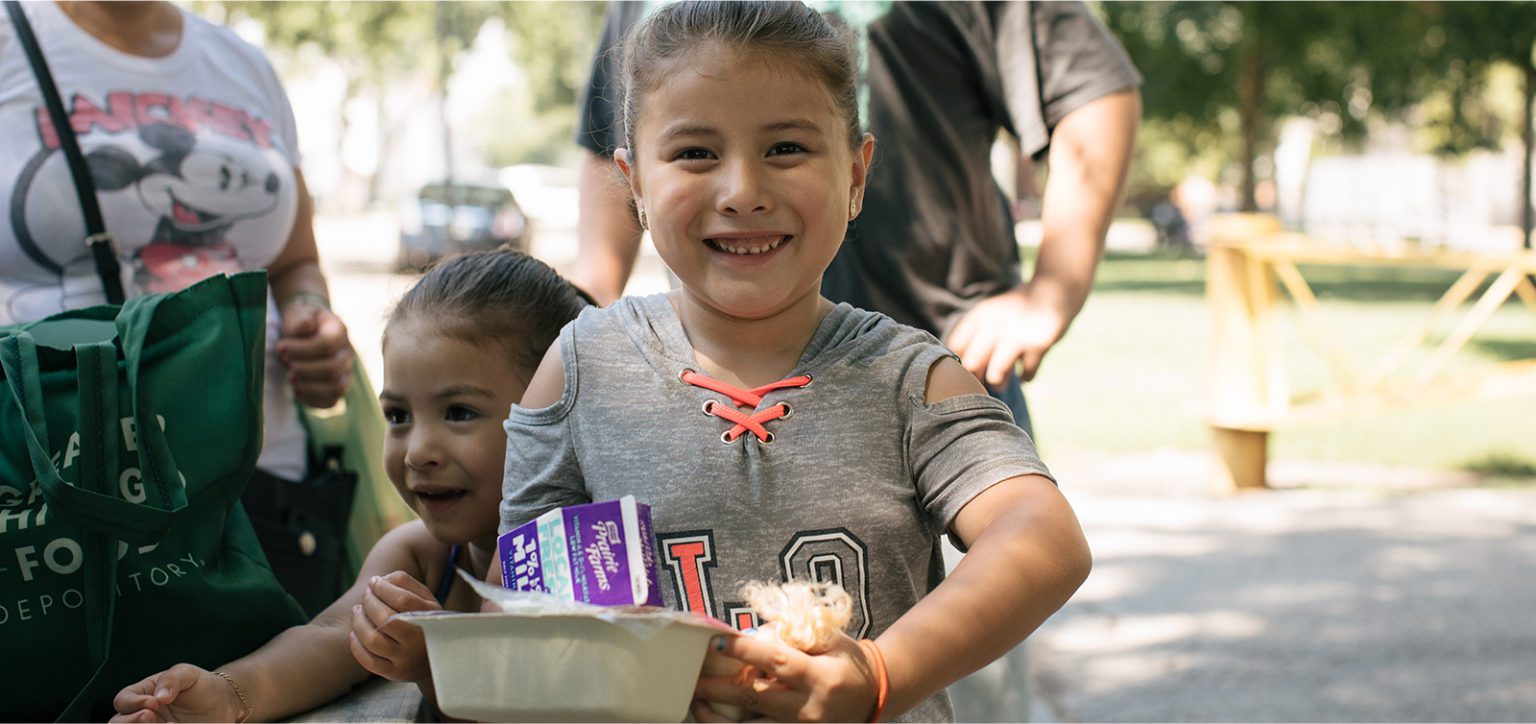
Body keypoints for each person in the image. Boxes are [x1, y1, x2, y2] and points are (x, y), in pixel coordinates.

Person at [493, 3, 1091, 721]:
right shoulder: (577, 373)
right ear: (636, 185)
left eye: (786, 149)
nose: (743, 191)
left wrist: (879, 674)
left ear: (856, 174)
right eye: (695, 154)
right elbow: (515, 608)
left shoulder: (913, 380)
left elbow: (1046, 538)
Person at [108, 248, 594, 723]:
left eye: (459, 412)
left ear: (552, 414)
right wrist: (228, 696)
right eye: (398, 415)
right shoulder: (419, 556)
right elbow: (330, 638)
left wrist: (434, 663)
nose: (417, 450)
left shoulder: (581, 554)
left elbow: (526, 704)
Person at [0, 0, 355, 609]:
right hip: (53, 494)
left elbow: (295, 261)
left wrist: (310, 315)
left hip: (254, 493)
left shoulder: (243, 65)